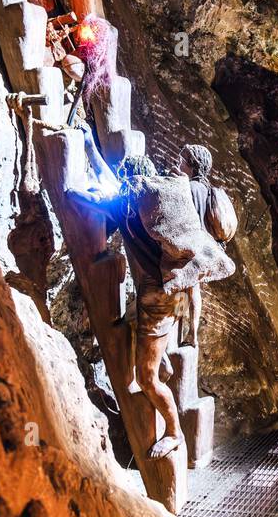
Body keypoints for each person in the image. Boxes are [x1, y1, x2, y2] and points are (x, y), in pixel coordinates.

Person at [65, 126, 188, 460]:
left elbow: (86, 198)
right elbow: (111, 182)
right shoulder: (157, 201)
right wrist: (90, 143)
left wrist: (71, 188)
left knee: (146, 379)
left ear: (130, 181)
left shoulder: (130, 206)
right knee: (148, 340)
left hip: (157, 302)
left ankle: (175, 433)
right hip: (174, 296)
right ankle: (160, 357)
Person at [177, 144, 213, 349]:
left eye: (183, 160)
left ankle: (178, 327)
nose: (179, 163)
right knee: (194, 290)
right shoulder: (206, 189)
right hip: (204, 249)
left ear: (191, 165)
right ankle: (192, 334)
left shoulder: (189, 188)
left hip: (188, 247)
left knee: (182, 289)